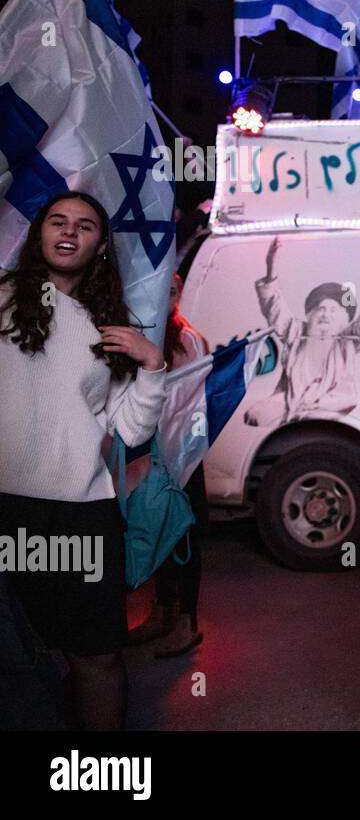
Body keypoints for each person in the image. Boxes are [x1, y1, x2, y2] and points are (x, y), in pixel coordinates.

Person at [0, 192, 167, 730]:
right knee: (12, 663)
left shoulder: (109, 329)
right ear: (38, 233)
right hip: (5, 512)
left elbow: (131, 431)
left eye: (86, 225)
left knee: (95, 658)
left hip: (81, 515)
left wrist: (153, 365)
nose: (69, 232)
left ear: (100, 245)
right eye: (57, 220)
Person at [126, 270, 211, 657]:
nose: (168, 296)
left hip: (182, 454)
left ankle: (186, 620)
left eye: (174, 290)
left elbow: (187, 401)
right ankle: (162, 611)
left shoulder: (187, 337)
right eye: (163, 290)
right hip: (151, 452)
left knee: (184, 535)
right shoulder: (143, 334)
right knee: (156, 526)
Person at [243, 233, 360, 426]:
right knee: (256, 413)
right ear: (310, 315)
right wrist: (271, 266)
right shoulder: (296, 332)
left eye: (333, 310)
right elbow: (274, 308)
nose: (326, 314)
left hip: (331, 402)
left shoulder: (348, 340)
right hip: (292, 399)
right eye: (321, 309)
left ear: (344, 320)